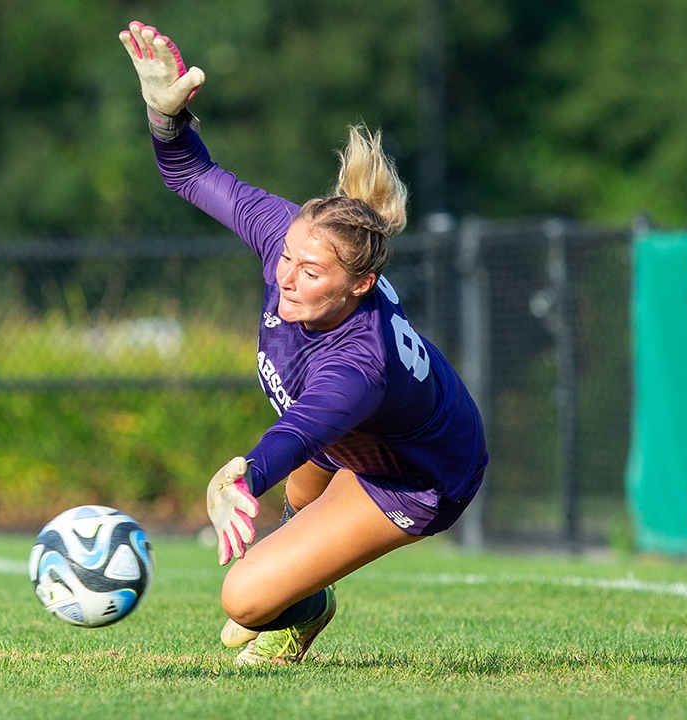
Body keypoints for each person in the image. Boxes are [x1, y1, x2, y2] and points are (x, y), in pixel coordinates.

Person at [119, 21, 489, 665]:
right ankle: (305, 588)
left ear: (361, 283)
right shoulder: (290, 239)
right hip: (356, 435)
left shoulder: (359, 365)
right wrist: (164, 115)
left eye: (311, 273)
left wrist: (241, 477)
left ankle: (300, 605)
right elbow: (188, 174)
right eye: (287, 257)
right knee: (299, 502)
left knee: (244, 600)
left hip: (418, 474)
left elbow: (300, 434)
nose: (286, 278)